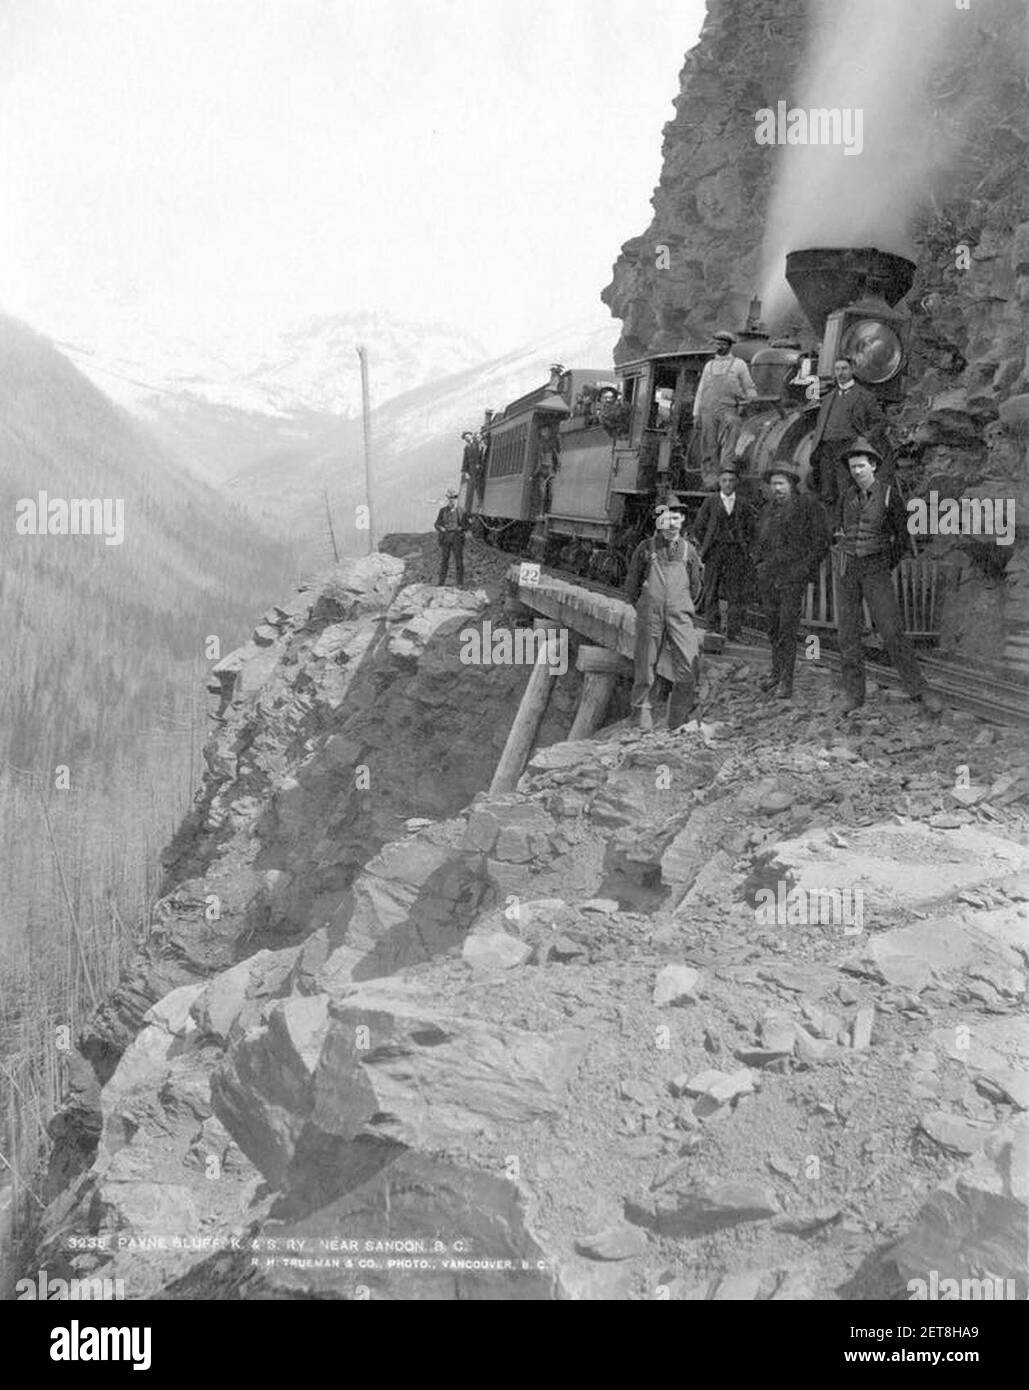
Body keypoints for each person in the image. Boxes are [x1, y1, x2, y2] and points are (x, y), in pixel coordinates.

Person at [834, 438, 943, 715]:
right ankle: (854, 695)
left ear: (873, 466)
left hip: (875, 568)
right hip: (847, 569)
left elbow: (902, 537)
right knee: (848, 634)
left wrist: (884, 563)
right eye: (853, 467)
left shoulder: (888, 495)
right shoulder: (846, 497)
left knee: (892, 631)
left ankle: (919, 690)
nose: (856, 471)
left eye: (861, 466)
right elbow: (839, 529)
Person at [624, 495, 704, 732]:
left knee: (688, 666)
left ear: (683, 520)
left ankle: (679, 722)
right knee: (645, 668)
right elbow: (631, 586)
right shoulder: (645, 548)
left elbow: (696, 587)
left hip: (680, 616)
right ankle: (640, 723)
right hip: (651, 616)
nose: (671, 524)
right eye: (666, 519)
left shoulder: (689, 551)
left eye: (676, 518)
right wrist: (646, 606)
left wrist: (681, 606)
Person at [752, 464, 831, 700]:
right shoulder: (768, 510)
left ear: (792, 484)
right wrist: (759, 564)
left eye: (781, 484)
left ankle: (787, 682)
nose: (777, 488)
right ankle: (776, 674)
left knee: (787, 629)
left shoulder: (806, 506)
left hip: (792, 577)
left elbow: (821, 542)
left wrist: (803, 570)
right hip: (769, 576)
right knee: (773, 628)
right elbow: (759, 540)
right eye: (773, 484)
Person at [809, 356, 890, 525]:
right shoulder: (828, 398)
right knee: (827, 493)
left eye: (844, 369)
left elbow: (881, 421)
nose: (841, 373)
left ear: (852, 370)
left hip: (848, 450)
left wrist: (864, 438)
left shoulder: (864, 396)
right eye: (837, 369)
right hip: (827, 450)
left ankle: (849, 529)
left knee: (846, 491)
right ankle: (832, 530)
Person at [691, 465, 756, 641]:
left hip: (735, 551)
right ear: (719, 483)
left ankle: (735, 631)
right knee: (711, 589)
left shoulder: (743, 504)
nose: (727, 484)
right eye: (724, 480)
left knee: (735, 591)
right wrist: (707, 544)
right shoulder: (710, 502)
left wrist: (745, 545)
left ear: (736, 483)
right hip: (715, 550)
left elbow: (751, 528)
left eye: (731, 481)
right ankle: (713, 627)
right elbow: (699, 527)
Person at [693, 330, 758, 481]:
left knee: (730, 444)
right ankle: (710, 480)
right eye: (717, 343)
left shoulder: (739, 364)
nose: (719, 347)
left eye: (722, 344)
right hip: (708, 411)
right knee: (709, 445)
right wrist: (696, 413)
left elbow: (749, 386)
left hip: (729, 409)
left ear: (729, 346)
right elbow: (700, 390)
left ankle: (726, 476)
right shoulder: (708, 366)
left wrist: (753, 403)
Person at [434, 488, 468, 586]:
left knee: (459, 561)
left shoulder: (461, 511)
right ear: (448, 499)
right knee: (444, 561)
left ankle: (460, 583)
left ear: (457, 498)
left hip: (457, 539)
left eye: (455, 497)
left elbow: (467, 525)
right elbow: (437, 524)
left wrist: (461, 528)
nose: (453, 500)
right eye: (451, 498)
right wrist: (441, 528)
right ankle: (441, 583)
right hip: (445, 539)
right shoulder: (443, 511)